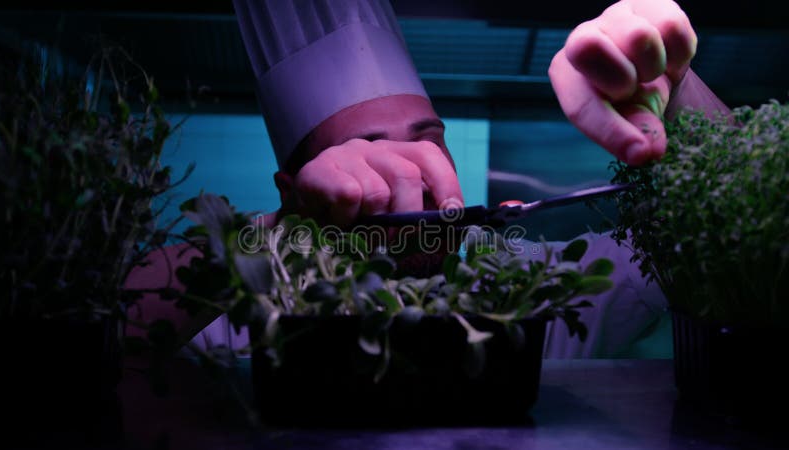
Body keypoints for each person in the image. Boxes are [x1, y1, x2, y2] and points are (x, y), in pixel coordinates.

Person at [126, 0, 731, 357]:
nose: (410, 172)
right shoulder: (244, 317)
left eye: (428, 140)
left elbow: (729, 244)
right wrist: (282, 231)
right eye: (366, 152)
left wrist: (673, 86)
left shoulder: (525, 290)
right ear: (294, 192)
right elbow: (112, 325)